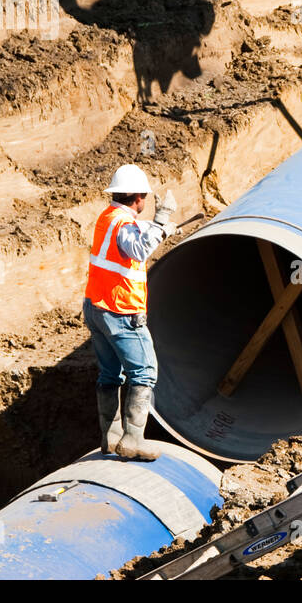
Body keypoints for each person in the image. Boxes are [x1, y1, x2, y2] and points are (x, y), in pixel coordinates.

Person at [83, 164, 177, 461]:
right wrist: (161, 220)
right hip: (121, 309)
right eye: (145, 198)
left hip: (96, 306)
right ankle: (133, 439)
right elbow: (135, 249)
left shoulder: (108, 217)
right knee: (145, 371)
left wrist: (157, 231)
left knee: (112, 372)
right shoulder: (124, 224)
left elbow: (126, 243)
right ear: (138, 197)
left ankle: (110, 437)